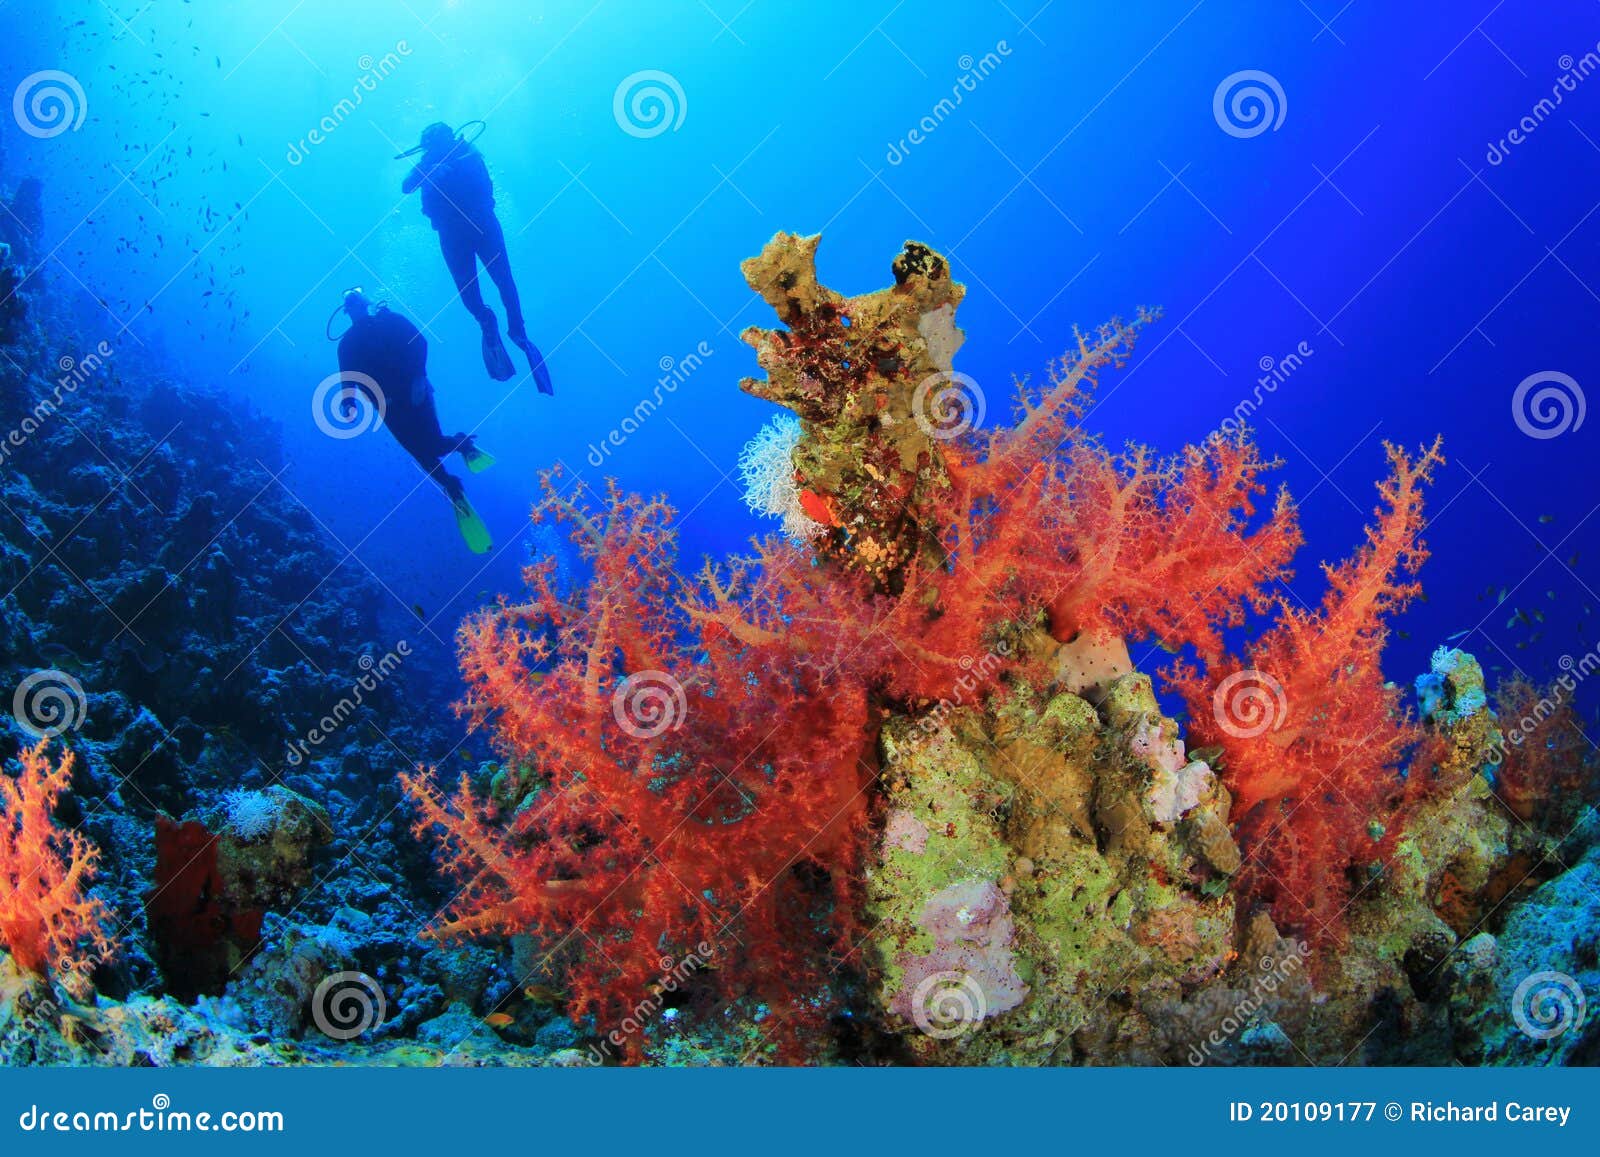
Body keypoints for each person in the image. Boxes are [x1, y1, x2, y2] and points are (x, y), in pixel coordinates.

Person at [332, 288, 496, 553]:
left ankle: (462, 444)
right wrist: (347, 401)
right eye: (350, 304)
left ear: (366, 303)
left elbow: (421, 342)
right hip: (388, 406)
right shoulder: (347, 344)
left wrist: (420, 377)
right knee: (420, 454)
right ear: (346, 312)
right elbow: (347, 376)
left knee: (431, 444)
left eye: (357, 302)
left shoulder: (390, 320)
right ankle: (452, 488)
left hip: (416, 392)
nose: (355, 307)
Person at [399, 122, 553, 394]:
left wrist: (451, 169)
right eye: (433, 147)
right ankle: (487, 320)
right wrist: (430, 171)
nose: (438, 149)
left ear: (451, 139)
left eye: (440, 143)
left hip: (482, 226)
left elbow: (481, 183)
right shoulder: (427, 164)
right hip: (453, 232)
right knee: (470, 292)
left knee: (503, 281)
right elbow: (406, 186)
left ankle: (517, 329)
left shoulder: (468, 153)